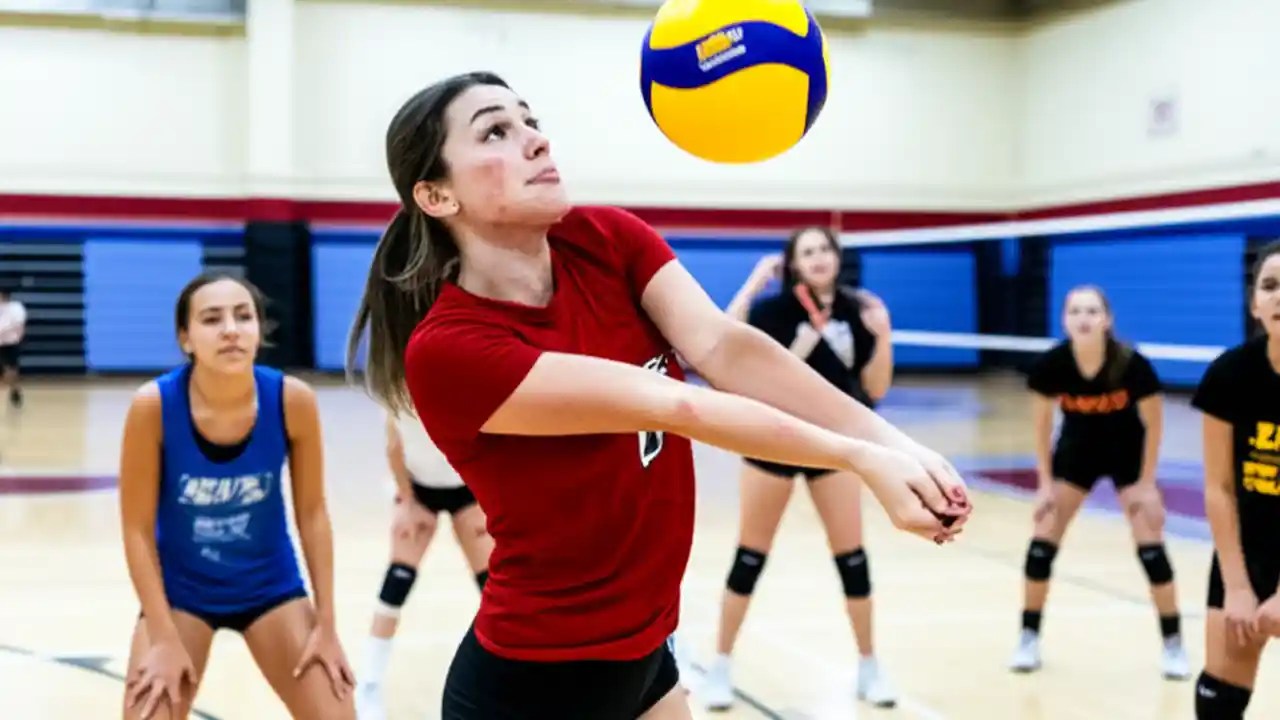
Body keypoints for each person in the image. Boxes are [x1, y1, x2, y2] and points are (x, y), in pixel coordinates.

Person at [345, 71, 971, 720]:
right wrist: (860, 458)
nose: (535, 140)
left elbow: (724, 348)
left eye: (530, 120)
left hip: (647, 656)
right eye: (496, 132)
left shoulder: (607, 239)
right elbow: (676, 405)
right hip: (536, 684)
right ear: (436, 194)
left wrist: (891, 440)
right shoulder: (451, 350)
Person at [118, 271, 355, 720]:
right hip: (181, 594)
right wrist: (163, 637)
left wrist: (326, 623)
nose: (230, 329)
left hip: (271, 587)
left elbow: (313, 513)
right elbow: (136, 530)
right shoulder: (153, 406)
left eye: (243, 316)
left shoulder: (292, 400)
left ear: (258, 330)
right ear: (185, 338)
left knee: (337, 714)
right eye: (211, 319)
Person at [700, 228, 898, 710]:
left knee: (852, 558)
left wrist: (884, 333)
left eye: (824, 249)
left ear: (836, 258)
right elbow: (723, 348)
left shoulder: (859, 311)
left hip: (836, 446)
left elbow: (876, 387)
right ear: (793, 263)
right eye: (806, 251)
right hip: (776, 440)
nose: (817, 258)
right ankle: (721, 666)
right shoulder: (773, 311)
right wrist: (752, 284)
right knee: (750, 555)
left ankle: (869, 666)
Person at [1010, 284, 1189, 680]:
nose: (1084, 318)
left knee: (1151, 548)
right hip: (1076, 454)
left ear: (1107, 320)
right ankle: (1028, 637)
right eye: (1075, 311)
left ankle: (1174, 644)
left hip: (1127, 454)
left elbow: (1154, 424)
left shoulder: (1131, 364)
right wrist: (1043, 485)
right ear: (1064, 320)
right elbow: (1040, 429)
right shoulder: (1052, 365)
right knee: (1041, 545)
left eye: (1092, 311)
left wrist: (1146, 483)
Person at [354, 408, 493, 720]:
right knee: (397, 580)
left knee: (495, 586)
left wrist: (489, 497)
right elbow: (393, 445)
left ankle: (515, 678)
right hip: (419, 490)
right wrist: (405, 499)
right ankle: (370, 685)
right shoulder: (397, 385)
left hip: (467, 490)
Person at [1191, 240, 1280, 719]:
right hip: (1250, 549)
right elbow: (1219, 489)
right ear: (1255, 303)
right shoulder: (1230, 375)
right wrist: (1238, 587)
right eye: (1270, 286)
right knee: (1219, 698)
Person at [0, 288, 26, 408]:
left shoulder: (15, 307)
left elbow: (19, 324)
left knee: (11, 369)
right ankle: (13, 389)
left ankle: (14, 389)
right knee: (6, 369)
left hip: (11, 342)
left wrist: (19, 337)